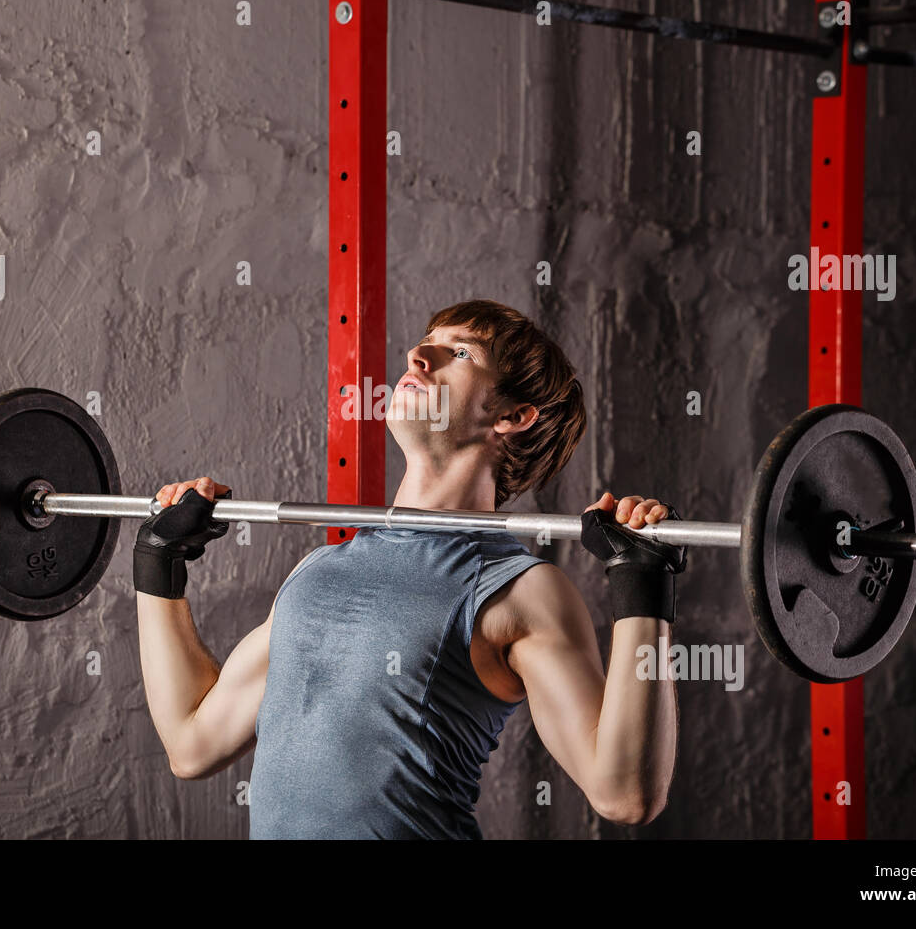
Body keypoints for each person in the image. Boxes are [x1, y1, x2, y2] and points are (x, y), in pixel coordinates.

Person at [134, 299, 686, 838]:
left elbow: (625, 796)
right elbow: (192, 744)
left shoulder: (520, 590)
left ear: (513, 416)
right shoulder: (319, 571)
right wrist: (160, 563)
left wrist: (641, 590)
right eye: (427, 344)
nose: (419, 356)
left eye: (461, 353)